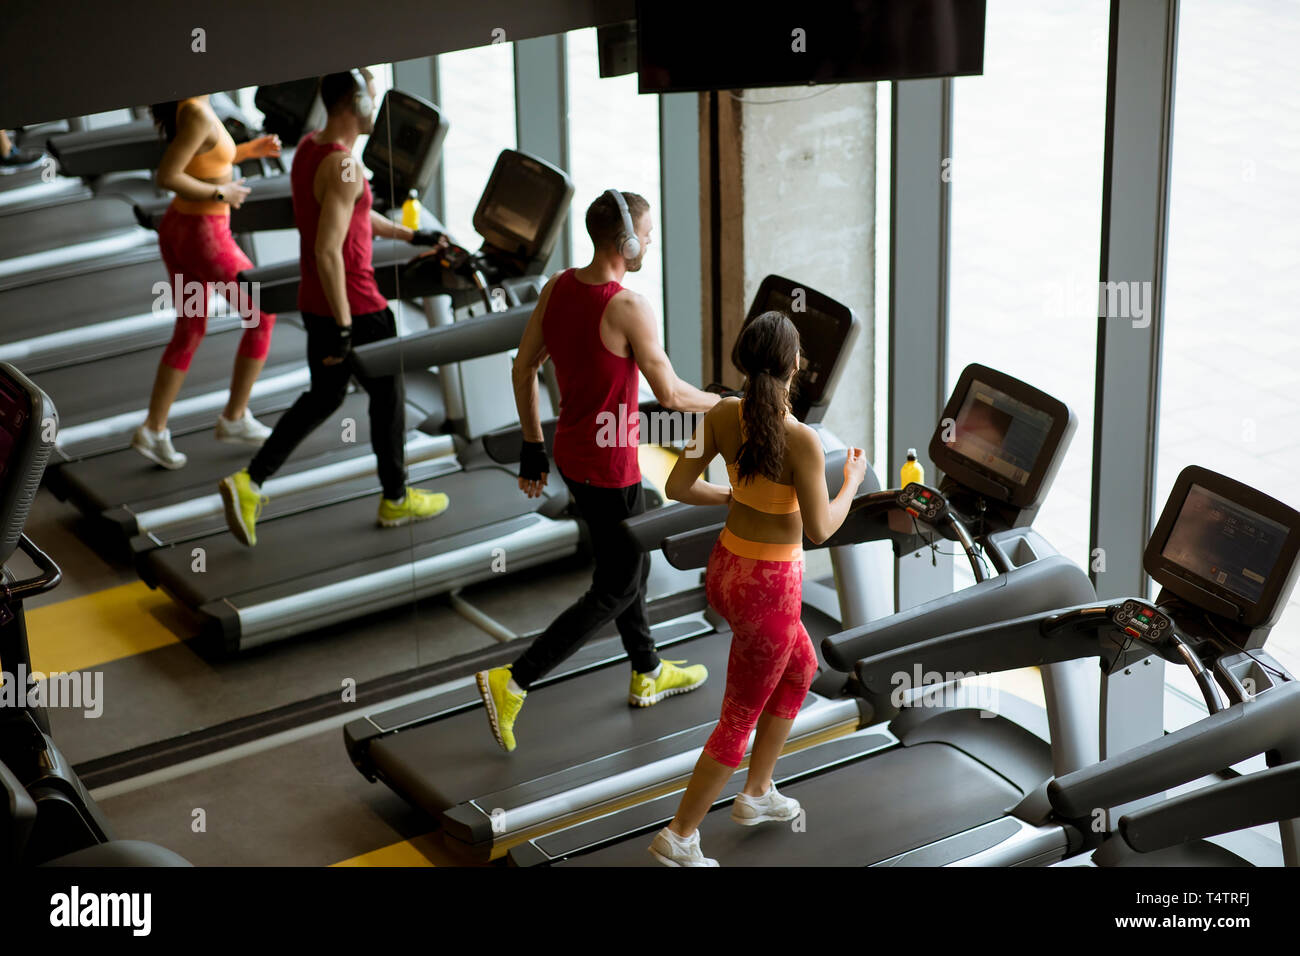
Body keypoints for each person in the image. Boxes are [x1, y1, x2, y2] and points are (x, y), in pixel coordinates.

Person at [475, 189, 720, 752]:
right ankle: (514, 680)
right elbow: (671, 392)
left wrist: (533, 445)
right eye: (647, 232)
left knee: (625, 565)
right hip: (611, 466)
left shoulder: (559, 285)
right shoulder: (628, 306)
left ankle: (648, 670)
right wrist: (733, 406)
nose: (652, 240)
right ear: (627, 242)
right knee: (616, 583)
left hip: (573, 456)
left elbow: (522, 368)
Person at [646, 311, 868, 865]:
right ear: (794, 365)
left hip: (725, 572)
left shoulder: (723, 413)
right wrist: (852, 485)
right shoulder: (803, 441)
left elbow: (678, 484)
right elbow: (820, 529)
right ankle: (679, 836)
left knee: (801, 669)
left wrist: (731, 497)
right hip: (769, 590)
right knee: (738, 718)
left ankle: (757, 792)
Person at [219, 68, 448, 546]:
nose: (376, 107)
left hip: (317, 301)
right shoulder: (344, 167)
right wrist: (346, 328)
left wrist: (412, 235)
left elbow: (357, 216)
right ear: (352, 106)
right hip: (357, 306)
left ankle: (250, 481)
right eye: (369, 99)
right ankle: (396, 498)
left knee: (324, 396)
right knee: (388, 401)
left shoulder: (310, 148)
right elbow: (328, 249)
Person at [132, 96, 283, 469]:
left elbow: (204, 160)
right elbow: (169, 176)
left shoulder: (194, 104)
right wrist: (223, 193)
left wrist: (248, 151)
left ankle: (153, 429)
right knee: (262, 313)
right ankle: (234, 417)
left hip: (180, 229)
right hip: (205, 237)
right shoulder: (197, 110)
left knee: (190, 328)